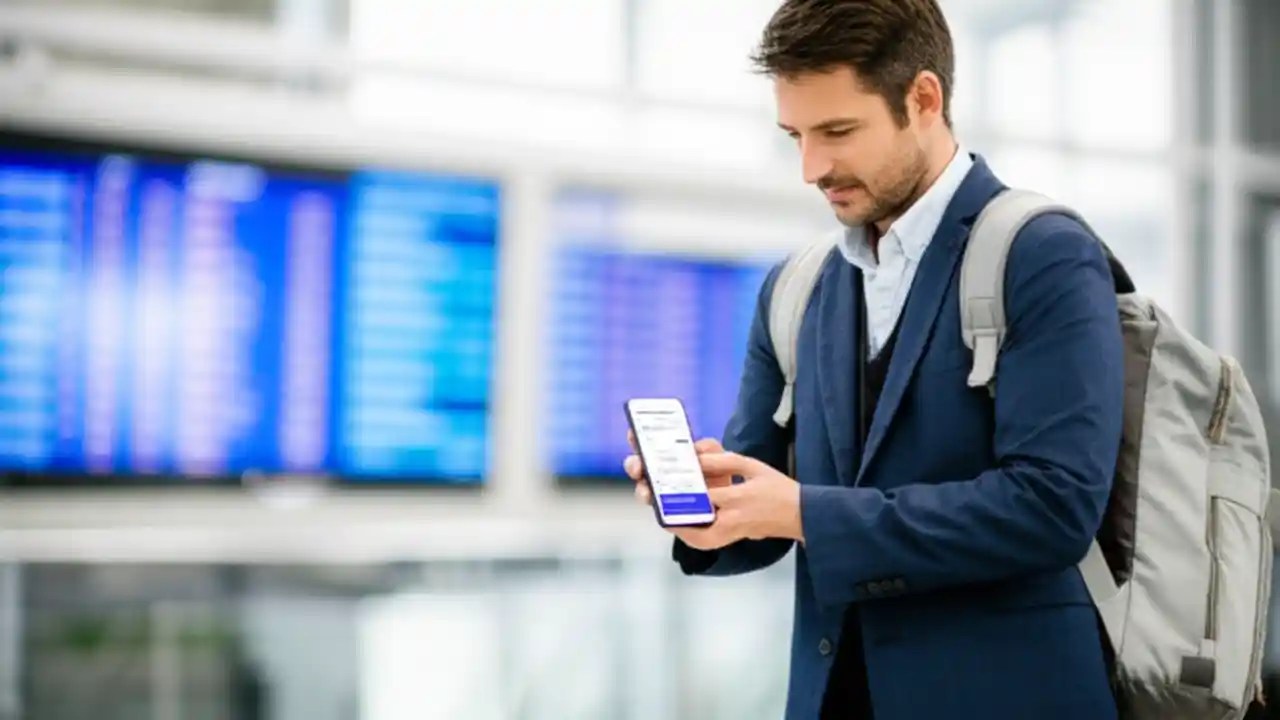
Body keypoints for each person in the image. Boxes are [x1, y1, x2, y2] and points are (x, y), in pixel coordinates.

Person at [623, 1, 1125, 718]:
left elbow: (1053, 507)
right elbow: (771, 517)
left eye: (837, 132)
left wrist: (805, 512)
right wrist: (715, 511)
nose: (811, 168)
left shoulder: (1042, 254)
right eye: (795, 136)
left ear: (924, 99)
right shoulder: (796, 288)